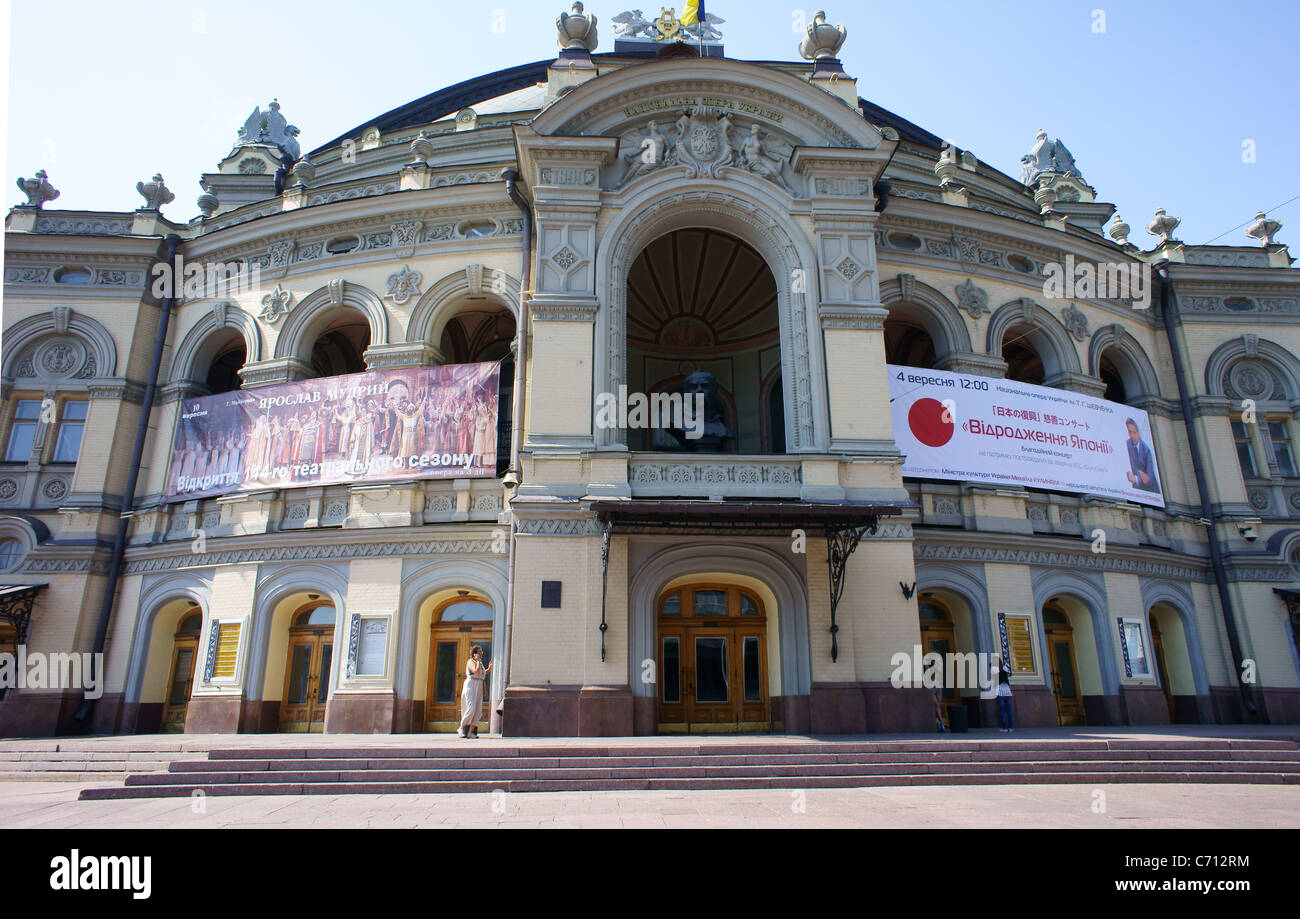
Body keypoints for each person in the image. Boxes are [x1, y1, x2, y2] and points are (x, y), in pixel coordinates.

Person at [458, 645, 491, 739]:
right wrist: (477, 661)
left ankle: (471, 732)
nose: (481, 653)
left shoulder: (479, 663)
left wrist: (488, 668)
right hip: (471, 686)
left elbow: (482, 675)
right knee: (471, 708)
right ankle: (462, 728)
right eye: (479, 652)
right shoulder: (471, 662)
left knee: (477, 711)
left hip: (478, 686)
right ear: (474, 653)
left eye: (481, 652)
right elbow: (475, 671)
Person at [1124, 418, 1159, 493]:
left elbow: (1148, 479)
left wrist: (1136, 479)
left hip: (1151, 492)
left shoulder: (1146, 451)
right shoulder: (1129, 443)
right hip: (1137, 491)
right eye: (1129, 432)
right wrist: (1139, 472)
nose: (1132, 435)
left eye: (1134, 432)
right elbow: (1133, 465)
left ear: (1139, 433)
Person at [993, 654, 1013, 733]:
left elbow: (994, 681)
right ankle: (1010, 728)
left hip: (1000, 692)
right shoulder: (1004, 668)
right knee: (1009, 711)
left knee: (1003, 711)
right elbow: (1007, 675)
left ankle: (1005, 728)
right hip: (1008, 692)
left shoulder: (995, 670)